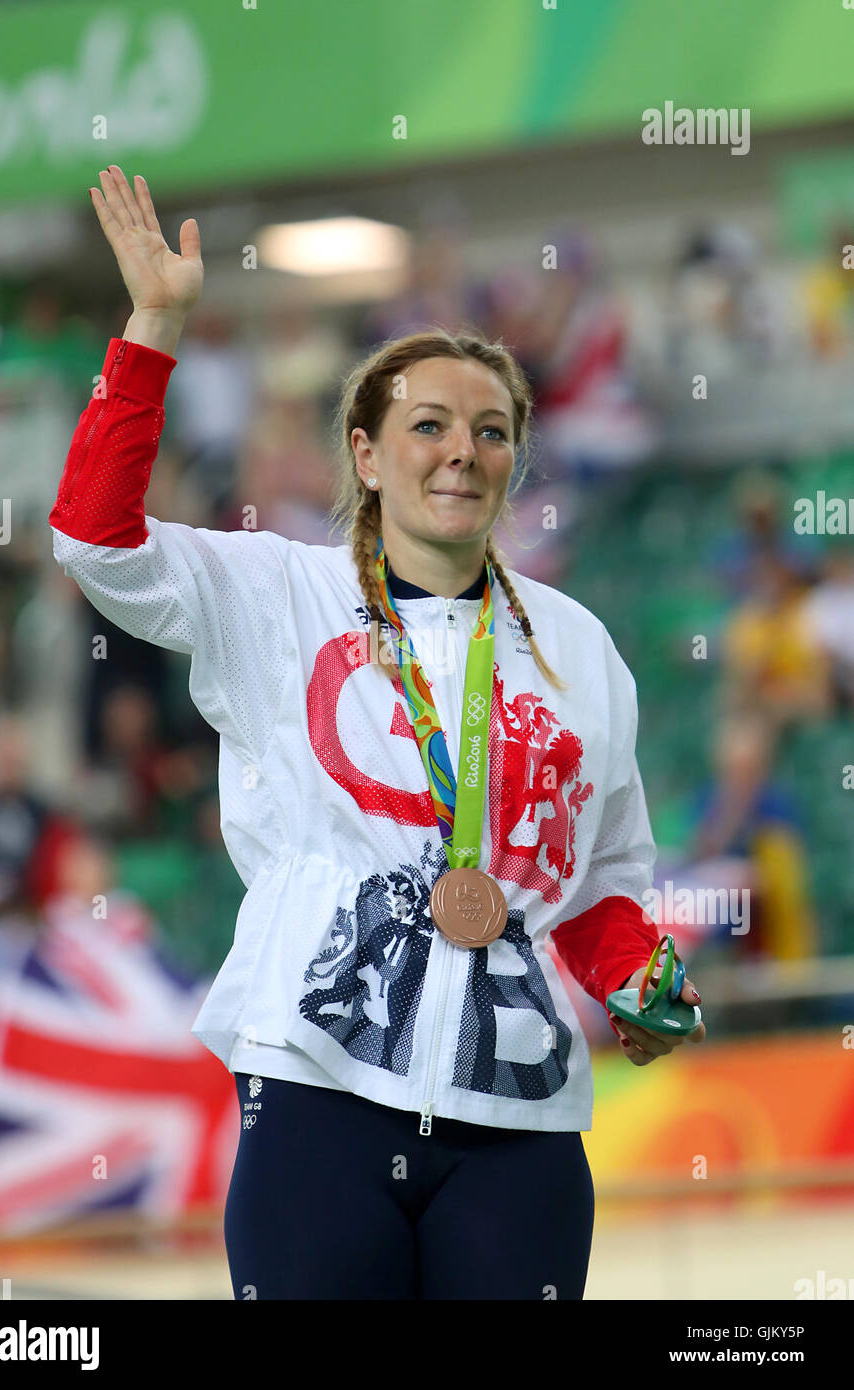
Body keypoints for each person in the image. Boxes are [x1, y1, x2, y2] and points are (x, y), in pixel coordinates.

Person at [48, 166, 706, 1301]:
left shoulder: (578, 645)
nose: (464, 450)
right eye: (431, 425)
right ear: (364, 454)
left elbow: (597, 879)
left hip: (520, 1111)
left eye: (493, 431)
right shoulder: (274, 594)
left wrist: (638, 978)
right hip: (319, 1091)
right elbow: (96, 543)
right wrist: (153, 326)